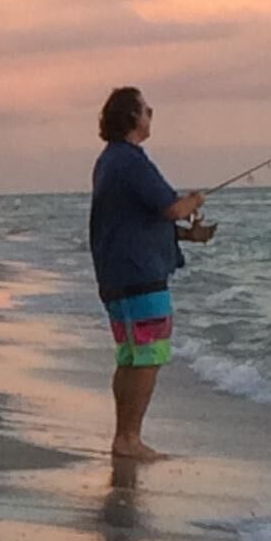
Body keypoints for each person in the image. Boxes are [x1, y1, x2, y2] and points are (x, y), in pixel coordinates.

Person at [89, 85, 215, 461]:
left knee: (131, 356)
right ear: (132, 117)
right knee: (149, 356)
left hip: (119, 274)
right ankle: (129, 438)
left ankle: (124, 436)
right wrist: (194, 201)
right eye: (146, 110)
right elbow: (171, 208)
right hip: (138, 276)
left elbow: (136, 221)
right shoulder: (129, 160)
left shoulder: (110, 161)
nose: (150, 115)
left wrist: (187, 236)